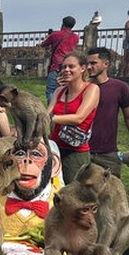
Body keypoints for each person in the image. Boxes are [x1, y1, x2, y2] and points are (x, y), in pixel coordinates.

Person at [85, 47, 129, 170]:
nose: (89, 67)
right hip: (82, 150)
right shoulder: (82, 87)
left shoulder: (120, 87)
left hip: (108, 152)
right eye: (87, 63)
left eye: (93, 63)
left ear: (106, 64)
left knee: (112, 188)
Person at [47, 51, 99, 183]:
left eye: (71, 67)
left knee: (73, 194)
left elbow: (79, 118)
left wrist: (51, 118)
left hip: (75, 151)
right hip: (54, 147)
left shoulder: (92, 89)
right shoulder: (60, 91)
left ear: (82, 68)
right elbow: (47, 114)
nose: (66, 70)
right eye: (64, 67)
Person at [41, 16, 79, 103]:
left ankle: (52, 111)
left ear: (63, 24)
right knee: (67, 90)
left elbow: (44, 44)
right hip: (69, 65)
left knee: (51, 90)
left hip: (56, 65)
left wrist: (49, 36)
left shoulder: (55, 35)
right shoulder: (75, 37)